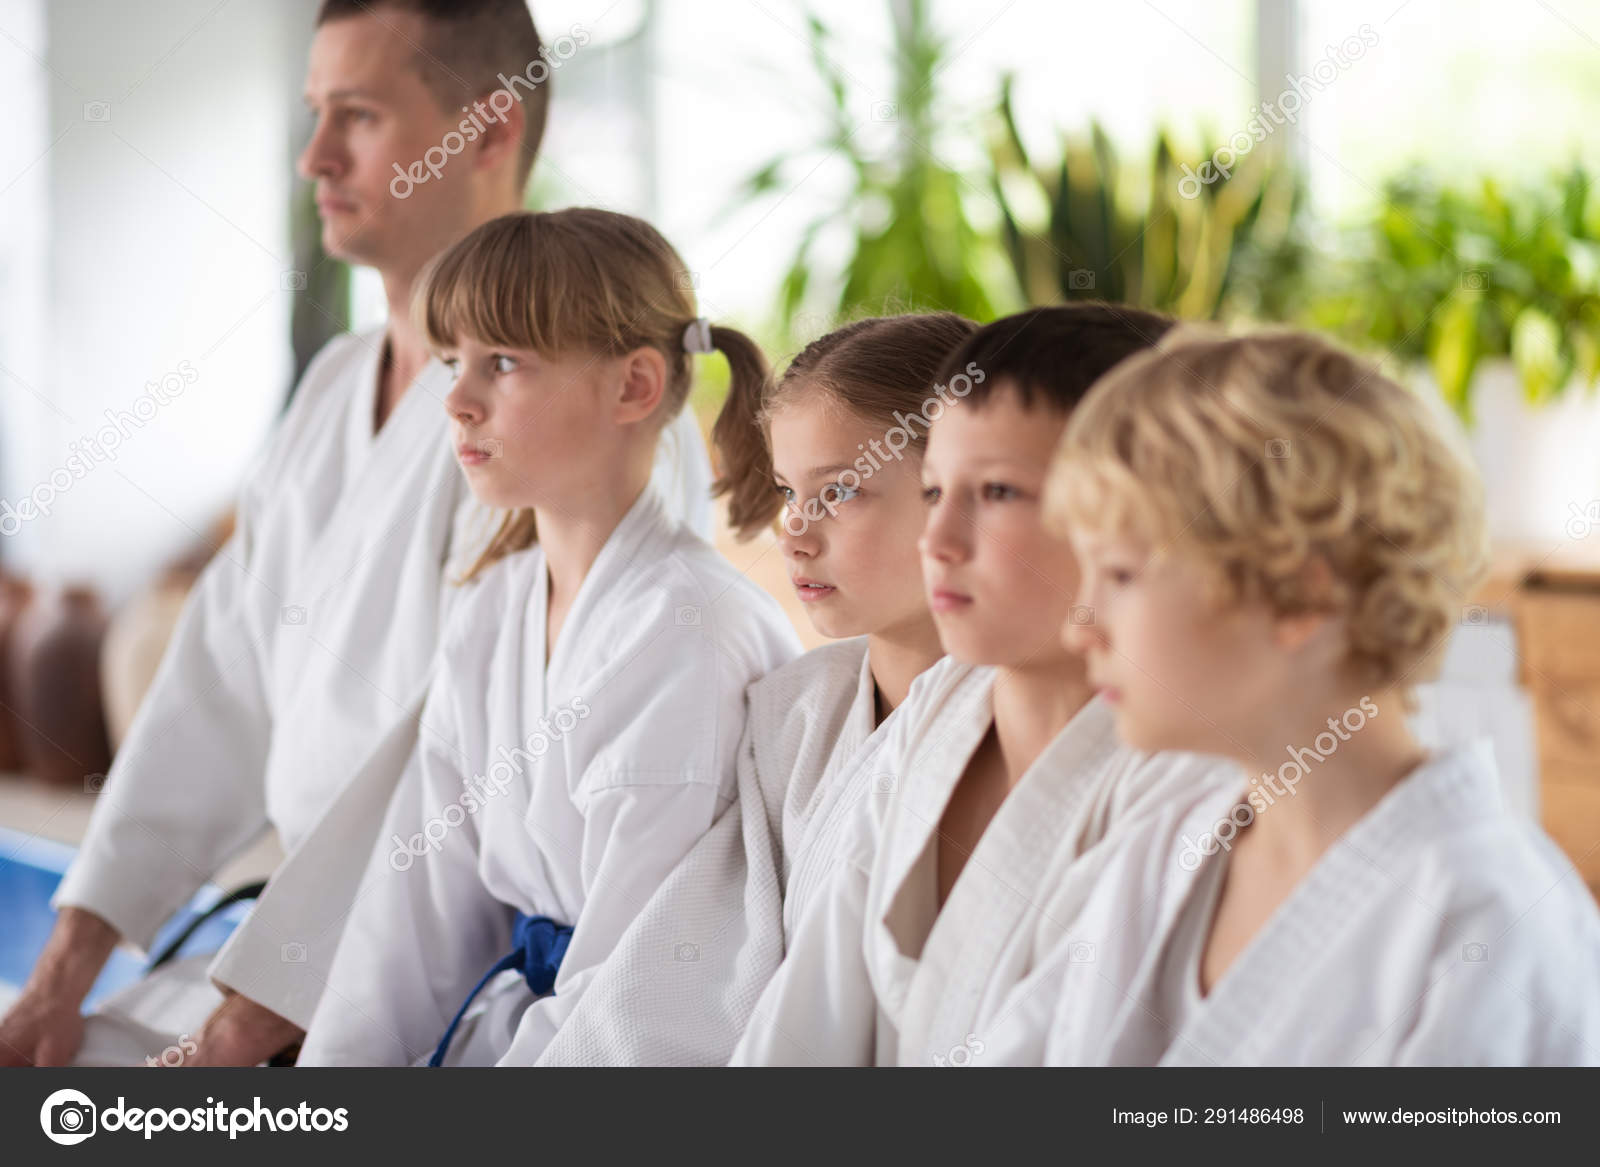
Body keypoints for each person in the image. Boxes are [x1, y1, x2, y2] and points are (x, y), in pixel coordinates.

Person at [0, 0, 712, 1069]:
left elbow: (457, 780)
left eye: (359, 116)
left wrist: (247, 1027)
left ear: (488, 129)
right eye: (313, 114)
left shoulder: (586, 420)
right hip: (282, 941)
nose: (313, 157)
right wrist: (66, 967)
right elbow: (214, 685)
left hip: (437, 977)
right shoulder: (336, 386)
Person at [1004, 327, 1600, 1064]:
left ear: (1298, 594)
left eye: (1120, 575)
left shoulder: (1490, 922)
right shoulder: (1161, 852)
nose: (1078, 626)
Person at [295, 208, 798, 1067]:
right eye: (454, 362)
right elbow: (413, 914)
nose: (454, 399)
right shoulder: (493, 610)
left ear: (634, 386)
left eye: (503, 364)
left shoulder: (686, 634)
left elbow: (642, 987)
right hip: (527, 1029)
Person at [731, 306, 1237, 1066]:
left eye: (997, 492)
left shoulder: (1195, 783)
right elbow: (801, 1024)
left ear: (1139, 510)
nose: (938, 541)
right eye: (935, 491)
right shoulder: (936, 712)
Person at [539, 313, 975, 1065]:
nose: (795, 530)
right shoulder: (794, 713)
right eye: (786, 490)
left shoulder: (1011, 722)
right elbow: (697, 961)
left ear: (956, 491)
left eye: (840, 491)